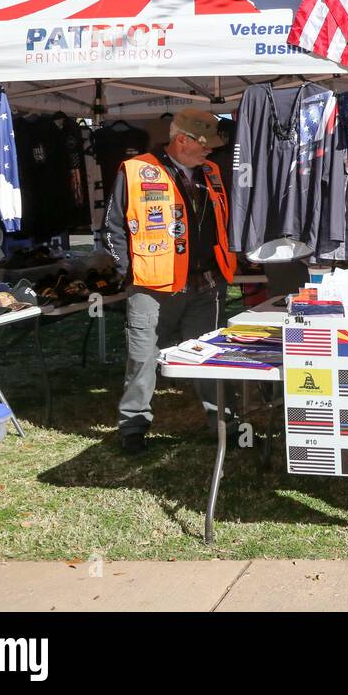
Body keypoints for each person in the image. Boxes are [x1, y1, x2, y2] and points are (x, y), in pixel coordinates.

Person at [103, 108, 238, 454]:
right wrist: (128, 273)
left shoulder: (212, 172)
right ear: (182, 139)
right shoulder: (136, 170)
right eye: (205, 145)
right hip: (152, 287)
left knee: (209, 357)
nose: (211, 151)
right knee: (143, 358)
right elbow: (112, 228)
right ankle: (133, 428)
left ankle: (226, 424)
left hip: (206, 286)